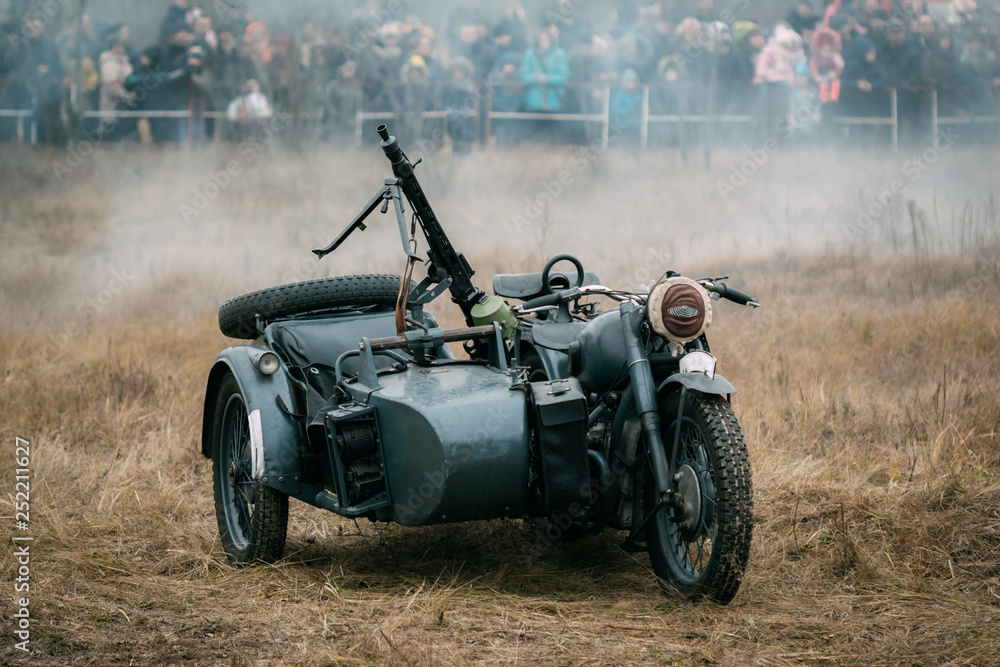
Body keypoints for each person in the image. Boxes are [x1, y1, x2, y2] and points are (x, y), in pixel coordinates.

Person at [520, 31, 569, 112]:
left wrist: (548, 78)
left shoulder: (560, 54)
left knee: (553, 123)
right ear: (537, 40)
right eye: (541, 39)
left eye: (546, 38)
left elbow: (564, 76)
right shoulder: (529, 54)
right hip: (533, 99)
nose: (544, 41)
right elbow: (524, 75)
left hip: (554, 99)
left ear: (551, 40)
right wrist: (535, 78)